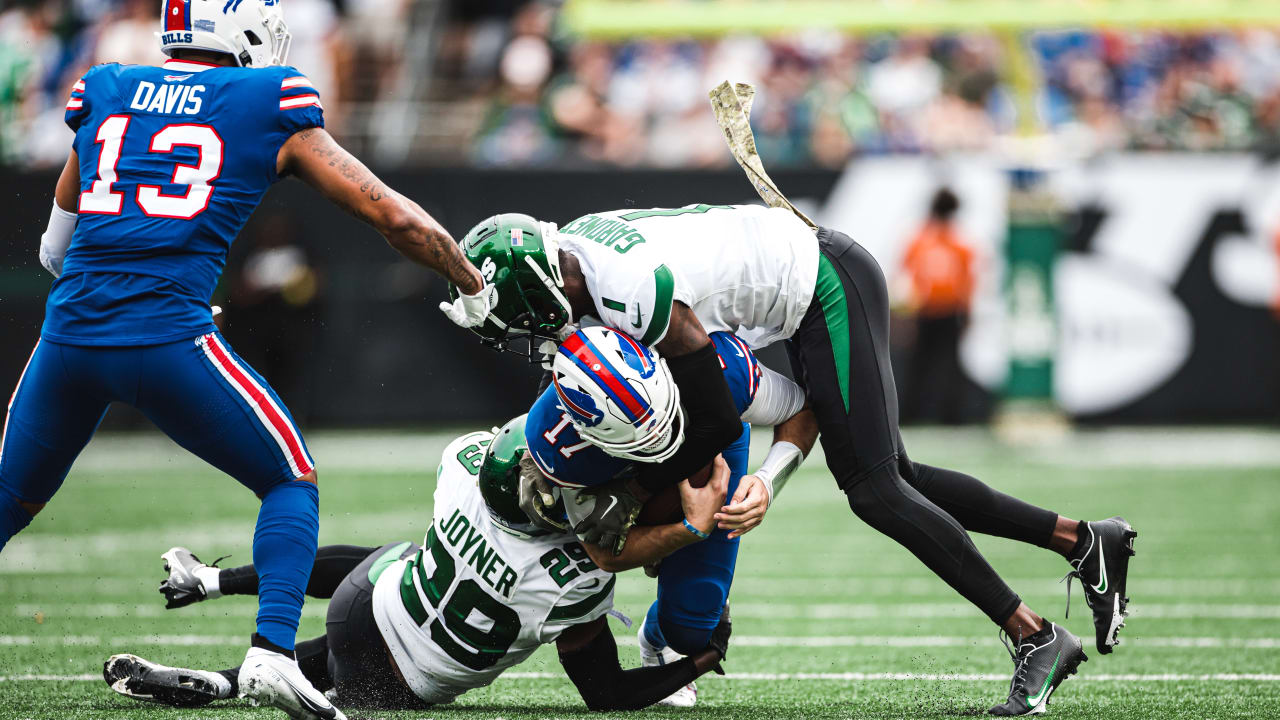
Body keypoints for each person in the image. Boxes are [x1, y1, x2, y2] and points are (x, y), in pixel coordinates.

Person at [0, 1, 494, 718]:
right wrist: (472, 283)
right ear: (242, 30)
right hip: (168, 340)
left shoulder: (105, 85)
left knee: (10, 498)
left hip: (69, 339)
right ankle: (269, 654)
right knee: (289, 479)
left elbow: (55, 251)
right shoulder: (267, 96)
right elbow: (393, 216)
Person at [444, 208, 1137, 715]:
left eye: (522, 319)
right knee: (899, 476)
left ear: (539, 284)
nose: (531, 336)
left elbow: (717, 417)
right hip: (798, 271)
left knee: (874, 489)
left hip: (822, 285)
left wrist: (664, 491)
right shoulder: (580, 263)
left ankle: (1034, 635)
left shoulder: (627, 290)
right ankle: (1083, 541)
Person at [102, 417, 731, 711]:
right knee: (389, 643)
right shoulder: (581, 585)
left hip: (368, 603)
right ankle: (256, 676)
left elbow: (523, 447)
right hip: (400, 685)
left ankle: (218, 639)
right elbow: (606, 694)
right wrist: (697, 659)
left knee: (400, 562)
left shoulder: (463, 465)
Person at [521, 326, 817, 706]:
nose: (660, 443)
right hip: (613, 479)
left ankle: (658, 637)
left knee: (690, 629)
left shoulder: (721, 372)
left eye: (661, 423)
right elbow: (603, 553)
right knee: (595, 527)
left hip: (706, 445)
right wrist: (687, 529)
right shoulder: (559, 445)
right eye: (641, 440)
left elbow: (803, 409)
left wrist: (766, 482)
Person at [899, 187, 977, 424]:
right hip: (949, 312)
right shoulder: (960, 244)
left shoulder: (919, 240)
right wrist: (967, 314)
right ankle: (950, 416)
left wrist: (905, 316)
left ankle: (913, 415)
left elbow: (907, 279)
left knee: (919, 366)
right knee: (948, 365)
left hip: (925, 311)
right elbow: (967, 283)